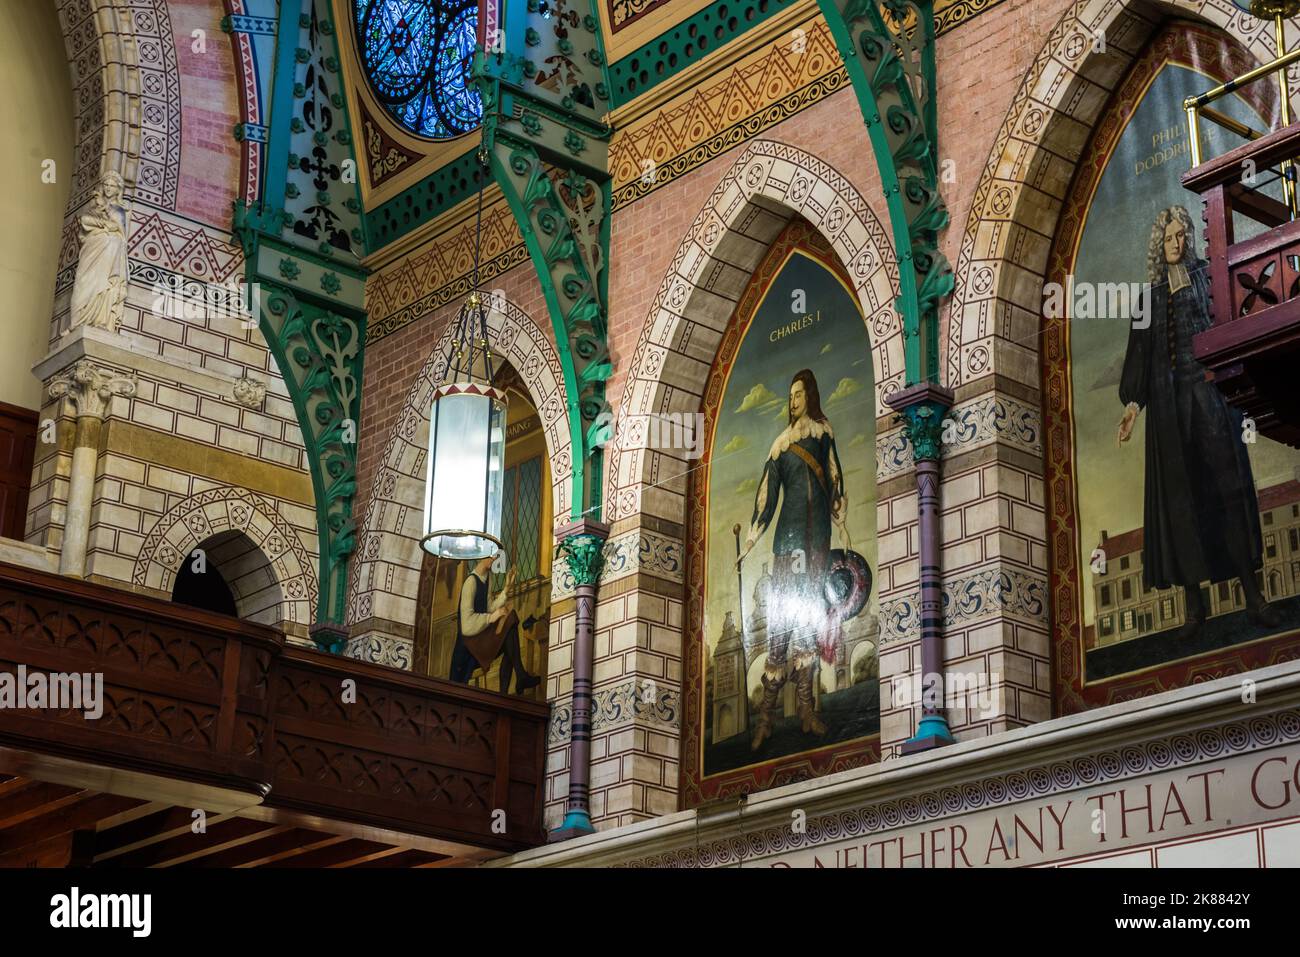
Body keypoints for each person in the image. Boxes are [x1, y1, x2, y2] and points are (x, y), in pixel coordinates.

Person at [1116, 206, 1278, 638]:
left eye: (1183, 236)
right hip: (1168, 410)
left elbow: (1230, 326)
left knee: (1228, 488)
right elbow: (1140, 357)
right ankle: (1194, 608)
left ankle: (1254, 596)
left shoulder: (1207, 278)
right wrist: (1132, 408)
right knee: (1179, 502)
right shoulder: (1148, 300)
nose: (1178, 243)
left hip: (1211, 398)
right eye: (1170, 237)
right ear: (1159, 243)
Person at [737, 369, 847, 749]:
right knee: (782, 627)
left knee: (809, 620)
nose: (793, 401)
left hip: (817, 538)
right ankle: (765, 718)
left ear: (810, 395)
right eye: (790, 396)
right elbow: (766, 498)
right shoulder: (781, 446)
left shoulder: (821, 433)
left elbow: (834, 475)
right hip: (787, 541)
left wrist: (840, 512)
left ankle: (805, 712)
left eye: (799, 394)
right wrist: (752, 539)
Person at [449, 555, 541, 693]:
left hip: (480, 639)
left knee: (510, 625)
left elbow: (489, 607)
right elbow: (467, 627)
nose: (494, 558)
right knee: (509, 633)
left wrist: (507, 588)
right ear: (480, 556)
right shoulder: (470, 582)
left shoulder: (487, 578)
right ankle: (519, 677)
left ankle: (511, 686)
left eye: (495, 556)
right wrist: (492, 617)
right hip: (469, 649)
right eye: (491, 555)